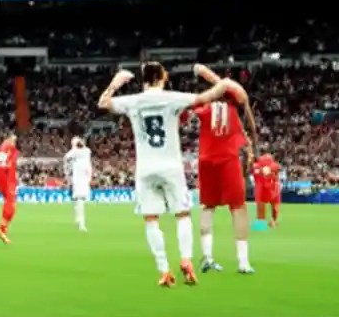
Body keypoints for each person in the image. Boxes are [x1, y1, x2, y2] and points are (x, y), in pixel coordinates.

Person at [98, 62, 238, 287]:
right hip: (171, 167)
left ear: (144, 79)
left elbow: (103, 103)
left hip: (145, 169)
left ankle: (164, 270)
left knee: (151, 220)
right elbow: (206, 97)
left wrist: (117, 82)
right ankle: (186, 260)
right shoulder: (173, 97)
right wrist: (222, 83)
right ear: (162, 77)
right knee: (182, 214)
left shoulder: (133, 101)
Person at [191, 64, 257, 274]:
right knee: (238, 208)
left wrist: (202, 73)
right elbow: (232, 88)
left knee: (208, 207)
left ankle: (207, 257)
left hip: (206, 160)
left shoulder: (202, 107)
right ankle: (243, 262)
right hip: (228, 159)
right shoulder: (234, 106)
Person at [0, 133, 19, 244]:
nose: (15, 142)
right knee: (11, 204)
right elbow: (10, 163)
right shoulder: (11, 148)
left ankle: (3, 227)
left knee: (10, 202)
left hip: (0, 177)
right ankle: (2, 227)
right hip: (8, 179)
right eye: (14, 139)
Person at [63, 137, 93, 232]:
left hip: (82, 178)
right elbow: (66, 159)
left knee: (80, 200)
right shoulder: (83, 151)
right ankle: (81, 223)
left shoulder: (79, 152)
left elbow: (66, 158)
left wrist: (67, 171)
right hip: (80, 179)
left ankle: (79, 220)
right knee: (80, 200)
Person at [253, 153, 282, 228]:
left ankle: (263, 223)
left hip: (264, 190)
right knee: (274, 207)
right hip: (271, 190)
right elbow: (277, 168)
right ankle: (272, 221)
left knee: (262, 207)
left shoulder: (257, 166)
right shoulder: (274, 166)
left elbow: (256, 170)